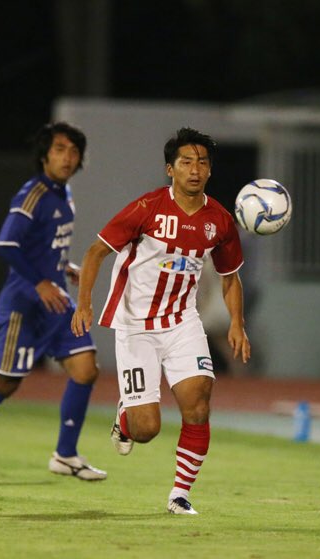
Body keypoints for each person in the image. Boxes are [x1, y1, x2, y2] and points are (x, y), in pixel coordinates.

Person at [72, 127, 250, 515]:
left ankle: (179, 494)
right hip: (137, 326)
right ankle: (126, 414)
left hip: (183, 322)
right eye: (186, 162)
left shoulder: (219, 221)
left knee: (198, 404)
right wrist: (84, 304)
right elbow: (94, 252)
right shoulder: (147, 208)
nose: (195, 169)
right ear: (170, 169)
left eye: (202, 162)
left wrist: (237, 322)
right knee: (146, 429)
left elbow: (230, 276)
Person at [0, 122, 106, 482]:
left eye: (74, 151)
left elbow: (43, 248)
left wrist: (65, 267)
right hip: (24, 303)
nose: (67, 157)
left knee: (86, 368)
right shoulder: (32, 193)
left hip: (54, 301)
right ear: (45, 154)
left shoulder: (64, 196)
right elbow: (7, 245)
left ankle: (65, 455)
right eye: (60, 149)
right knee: (5, 383)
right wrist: (40, 283)